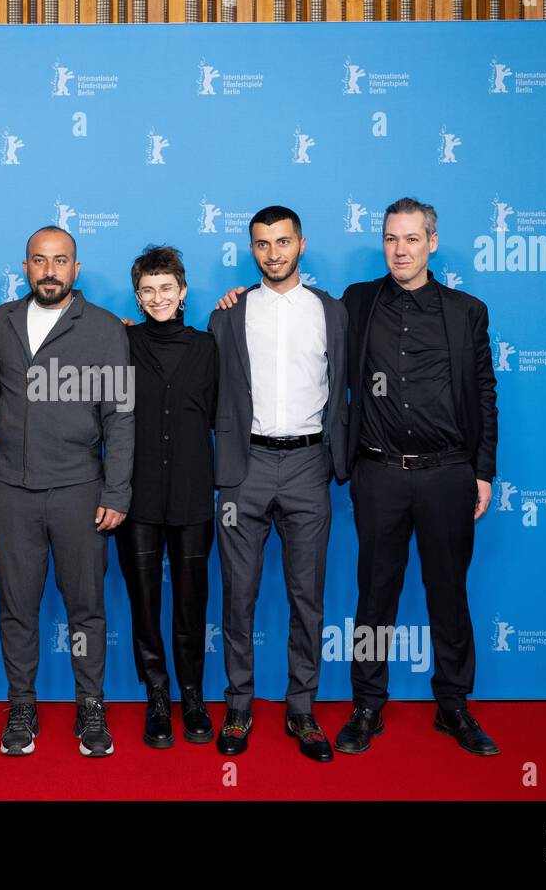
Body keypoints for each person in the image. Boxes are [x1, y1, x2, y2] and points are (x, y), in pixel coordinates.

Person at [334, 197, 499, 756]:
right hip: (377, 474)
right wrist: (236, 301)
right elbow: (298, 315)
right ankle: (366, 706)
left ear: (431, 241)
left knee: (448, 595)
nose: (399, 249)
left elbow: (484, 395)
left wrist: (483, 471)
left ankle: (453, 706)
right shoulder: (357, 303)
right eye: (390, 239)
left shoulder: (466, 311)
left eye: (410, 239)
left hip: (447, 474)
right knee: (375, 596)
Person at [208, 205, 348, 762]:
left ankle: (301, 709)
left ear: (301, 244)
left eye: (283, 242)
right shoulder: (229, 315)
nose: (273, 253)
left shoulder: (331, 311)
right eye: (262, 244)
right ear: (252, 250)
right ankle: (239, 706)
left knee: (306, 596)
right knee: (238, 597)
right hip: (245, 468)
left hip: (311, 465)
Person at [0, 226, 134, 758]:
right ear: (25, 266)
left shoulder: (101, 328)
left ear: (77, 268)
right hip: (11, 492)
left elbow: (120, 414)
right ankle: (21, 705)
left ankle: (90, 705)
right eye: (39, 260)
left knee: (86, 609)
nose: (49, 270)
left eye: (61, 260)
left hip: (79, 491)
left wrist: (117, 492)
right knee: (16, 608)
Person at [116, 245, 218, 748]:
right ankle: (157, 694)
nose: (158, 297)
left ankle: (193, 693)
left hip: (194, 497)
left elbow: (226, 415)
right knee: (144, 602)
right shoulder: (122, 342)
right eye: (148, 290)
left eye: (167, 288)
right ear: (138, 297)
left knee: (191, 602)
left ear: (182, 292)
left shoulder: (209, 346)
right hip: (136, 499)